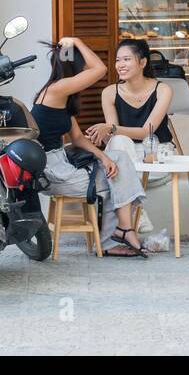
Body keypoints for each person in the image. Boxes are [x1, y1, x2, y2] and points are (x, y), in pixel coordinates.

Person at [32, 36, 148, 258]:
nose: (87, 70)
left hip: (63, 163)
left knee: (118, 160)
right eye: (84, 66)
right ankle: (120, 233)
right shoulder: (57, 89)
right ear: (77, 68)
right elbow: (100, 68)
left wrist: (103, 157)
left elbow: (78, 139)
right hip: (53, 171)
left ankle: (122, 230)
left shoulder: (60, 96)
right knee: (119, 175)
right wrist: (77, 40)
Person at [88, 38, 176, 153]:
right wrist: (102, 135)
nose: (121, 65)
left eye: (126, 59)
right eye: (118, 60)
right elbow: (114, 137)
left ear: (143, 63)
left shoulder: (162, 90)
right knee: (117, 143)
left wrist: (110, 128)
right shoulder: (109, 93)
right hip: (125, 149)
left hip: (156, 150)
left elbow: (146, 132)